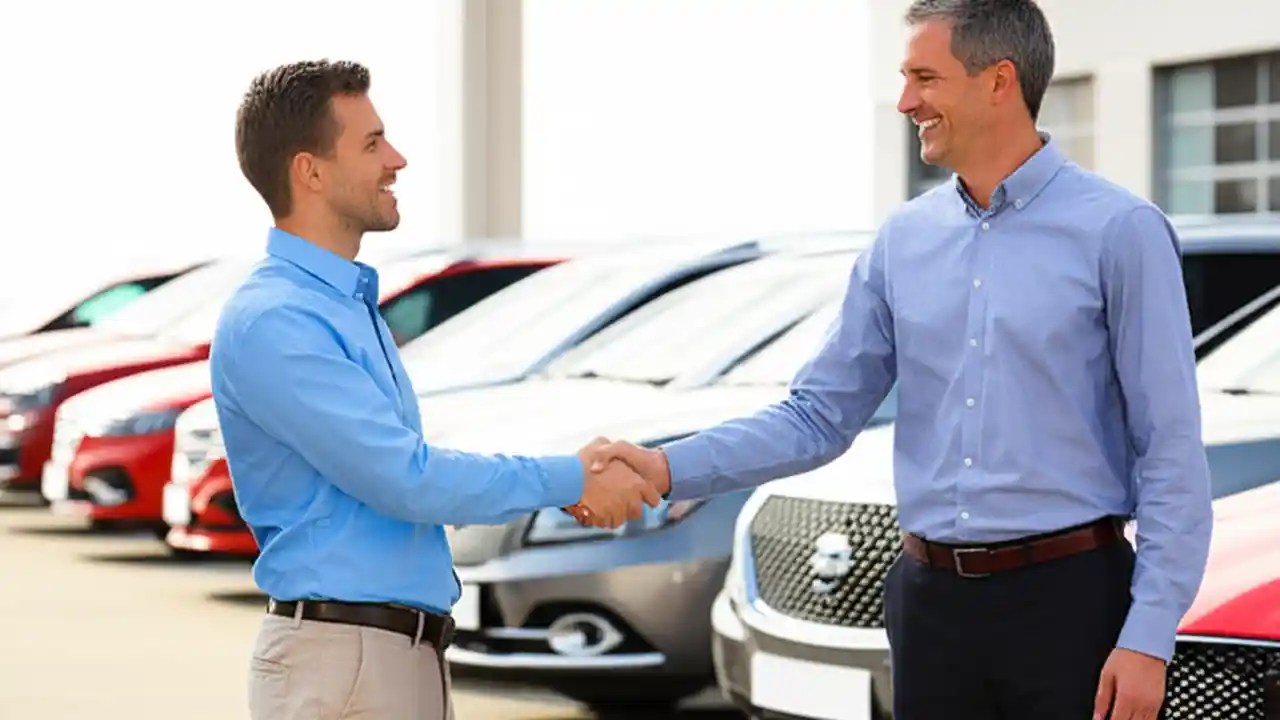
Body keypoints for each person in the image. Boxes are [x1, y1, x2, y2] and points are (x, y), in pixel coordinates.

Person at [581, 1, 1213, 718]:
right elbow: (818, 415)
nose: (907, 101)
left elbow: (1169, 450)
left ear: (999, 81)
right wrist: (666, 468)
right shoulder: (903, 240)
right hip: (930, 606)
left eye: (924, 78)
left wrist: (1149, 636)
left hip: (1069, 606)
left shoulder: (1120, 231)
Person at [210, 59, 661, 720]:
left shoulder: (339, 304)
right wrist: (572, 479)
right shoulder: (280, 320)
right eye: (371, 143)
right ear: (310, 171)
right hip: (347, 665)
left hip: (385, 655)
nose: (397, 159)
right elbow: (405, 479)